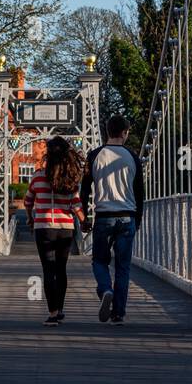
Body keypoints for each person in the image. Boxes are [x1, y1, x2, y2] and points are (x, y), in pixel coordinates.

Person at [80, 114, 144, 324]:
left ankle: (106, 289)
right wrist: (138, 219)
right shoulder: (133, 157)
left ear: (107, 131)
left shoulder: (94, 155)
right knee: (123, 268)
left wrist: (83, 217)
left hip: (103, 217)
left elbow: (84, 190)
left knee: (99, 260)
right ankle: (118, 313)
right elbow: (140, 193)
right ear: (124, 133)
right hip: (127, 218)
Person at [23, 136, 85, 326]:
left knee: (48, 270)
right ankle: (61, 309)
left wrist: (30, 217)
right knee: (61, 269)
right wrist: (85, 222)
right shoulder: (70, 178)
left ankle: (52, 313)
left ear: (48, 154)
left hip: (43, 229)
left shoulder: (37, 176)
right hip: (65, 230)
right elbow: (76, 205)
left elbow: (27, 202)